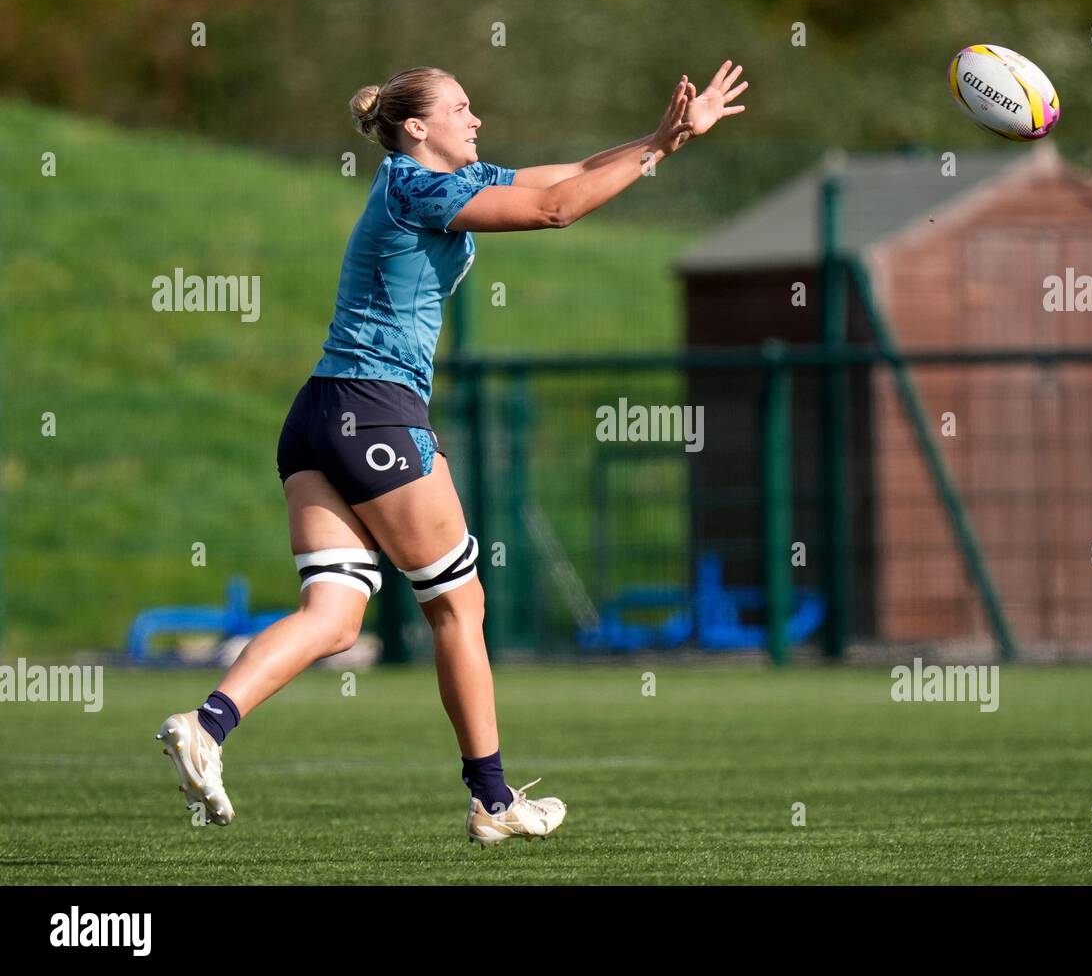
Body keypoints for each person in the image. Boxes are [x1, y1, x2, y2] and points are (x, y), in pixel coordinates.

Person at [156, 61, 748, 846]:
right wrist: (652, 156)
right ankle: (494, 801)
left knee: (333, 615)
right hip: (375, 412)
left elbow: (567, 173)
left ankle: (208, 724)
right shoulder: (418, 187)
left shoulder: (430, 180)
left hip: (320, 414)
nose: (476, 119)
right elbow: (555, 211)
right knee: (458, 605)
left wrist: (665, 139)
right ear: (416, 128)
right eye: (460, 108)